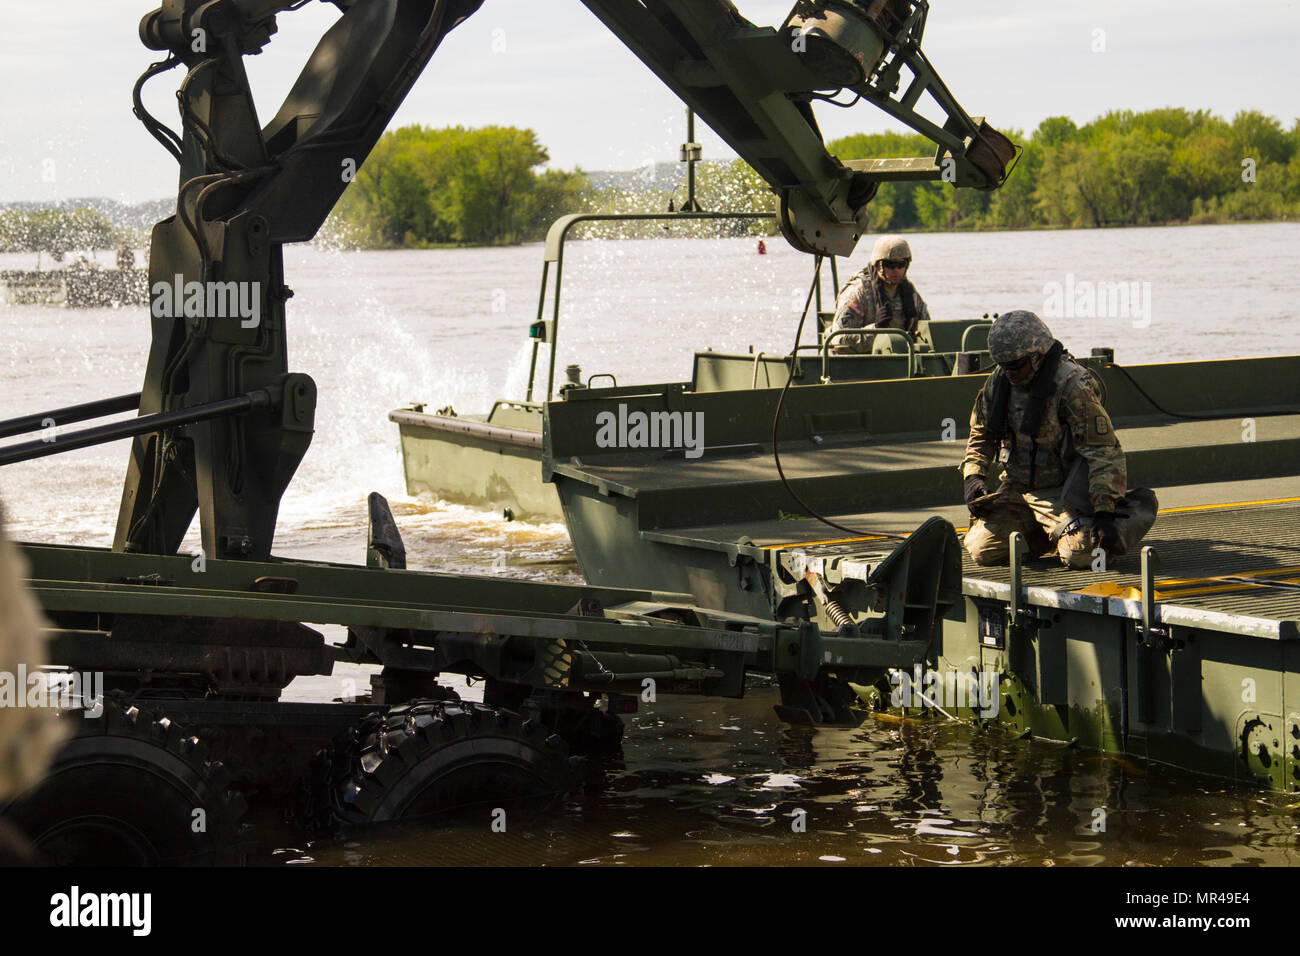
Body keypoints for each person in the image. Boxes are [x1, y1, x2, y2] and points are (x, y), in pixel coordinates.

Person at [959, 310, 1157, 569]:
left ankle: (1130, 511)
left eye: (1016, 365)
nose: (1009, 372)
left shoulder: (1071, 385)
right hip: (1018, 487)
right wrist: (974, 476)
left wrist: (1104, 511)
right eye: (1003, 365)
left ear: (1037, 356)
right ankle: (1047, 533)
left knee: (1083, 555)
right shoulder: (999, 382)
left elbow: (1102, 451)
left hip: (1063, 492)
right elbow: (982, 432)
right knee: (982, 550)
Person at [829, 235, 934, 355]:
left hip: (893, 360)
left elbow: (928, 331)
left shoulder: (911, 295)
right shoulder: (858, 293)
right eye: (890, 265)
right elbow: (839, 341)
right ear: (878, 265)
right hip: (853, 363)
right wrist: (876, 329)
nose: (896, 270)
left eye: (901, 265)